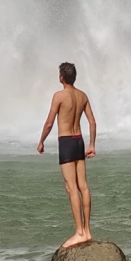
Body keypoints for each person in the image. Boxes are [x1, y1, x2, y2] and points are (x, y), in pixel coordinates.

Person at [37, 61, 96, 248]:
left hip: (66, 142)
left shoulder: (59, 96)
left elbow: (49, 123)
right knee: (83, 186)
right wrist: (92, 145)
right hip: (79, 141)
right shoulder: (82, 95)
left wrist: (41, 141)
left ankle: (79, 232)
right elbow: (92, 122)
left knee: (71, 187)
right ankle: (87, 230)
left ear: (61, 77)